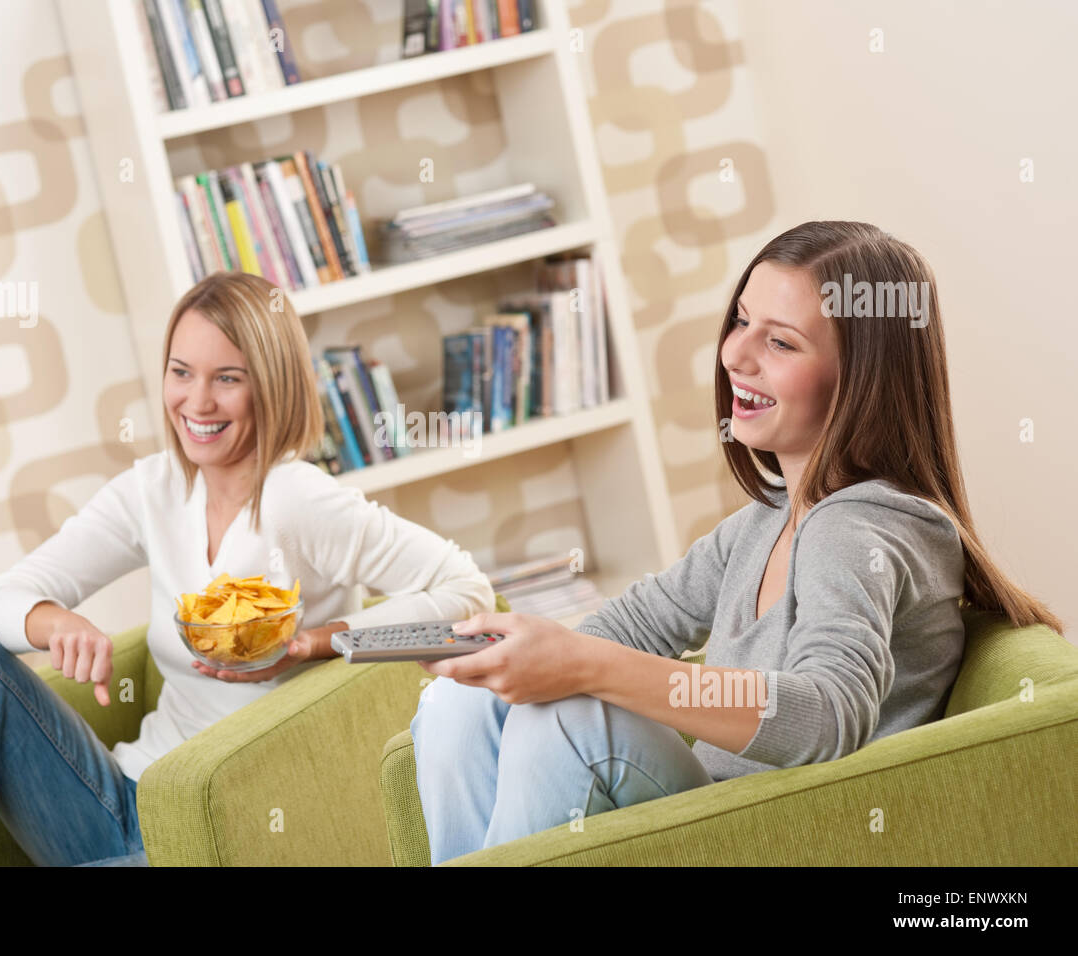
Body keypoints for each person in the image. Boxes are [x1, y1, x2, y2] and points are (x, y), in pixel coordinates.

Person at [410, 220, 1065, 865]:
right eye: (740, 321)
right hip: (725, 814)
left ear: (860, 378)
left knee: (572, 720)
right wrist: (510, 652)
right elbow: (633, 625)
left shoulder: (863, 529)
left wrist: (584, 669)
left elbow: (830, 713)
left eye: (780, 343)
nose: (736, 354)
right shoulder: (766, 521)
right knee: (460, 699)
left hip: (790, 835)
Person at [0, 271, 494, 866]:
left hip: (211, 833)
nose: (196, 402)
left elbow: (467, 592)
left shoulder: (296, 500)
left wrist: (314, 643)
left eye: (227, 378)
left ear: (271, 386)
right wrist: (55, 624)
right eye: (181, 373)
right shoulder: (155, 489)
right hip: (114, 799)